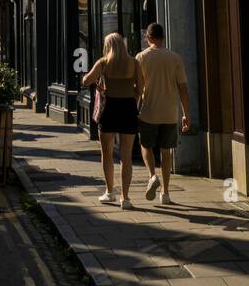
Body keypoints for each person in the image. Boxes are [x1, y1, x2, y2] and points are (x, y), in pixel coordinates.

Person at [82, 33, 145, 210]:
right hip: (128, 109)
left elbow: (86, 80)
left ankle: (110, 191)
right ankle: (125, 198)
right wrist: (129, 93)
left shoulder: (103, 63)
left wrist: (99, 81)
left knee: (107, 154)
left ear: (108, 46)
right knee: (126, 156)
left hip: (109, 109)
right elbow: (140, 88)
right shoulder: (134, 63)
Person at [136, 23, 191, 205]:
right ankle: (166, 194)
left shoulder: (141, 58)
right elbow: (183, 88)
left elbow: (138, 88)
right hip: (169, 112)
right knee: (166, 151)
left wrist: (135, 108)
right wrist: (186, 114)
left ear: (149, 38)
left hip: (149, 111)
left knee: (146, 145)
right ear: (162, 37)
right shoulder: (175, 58)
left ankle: (152, 175)